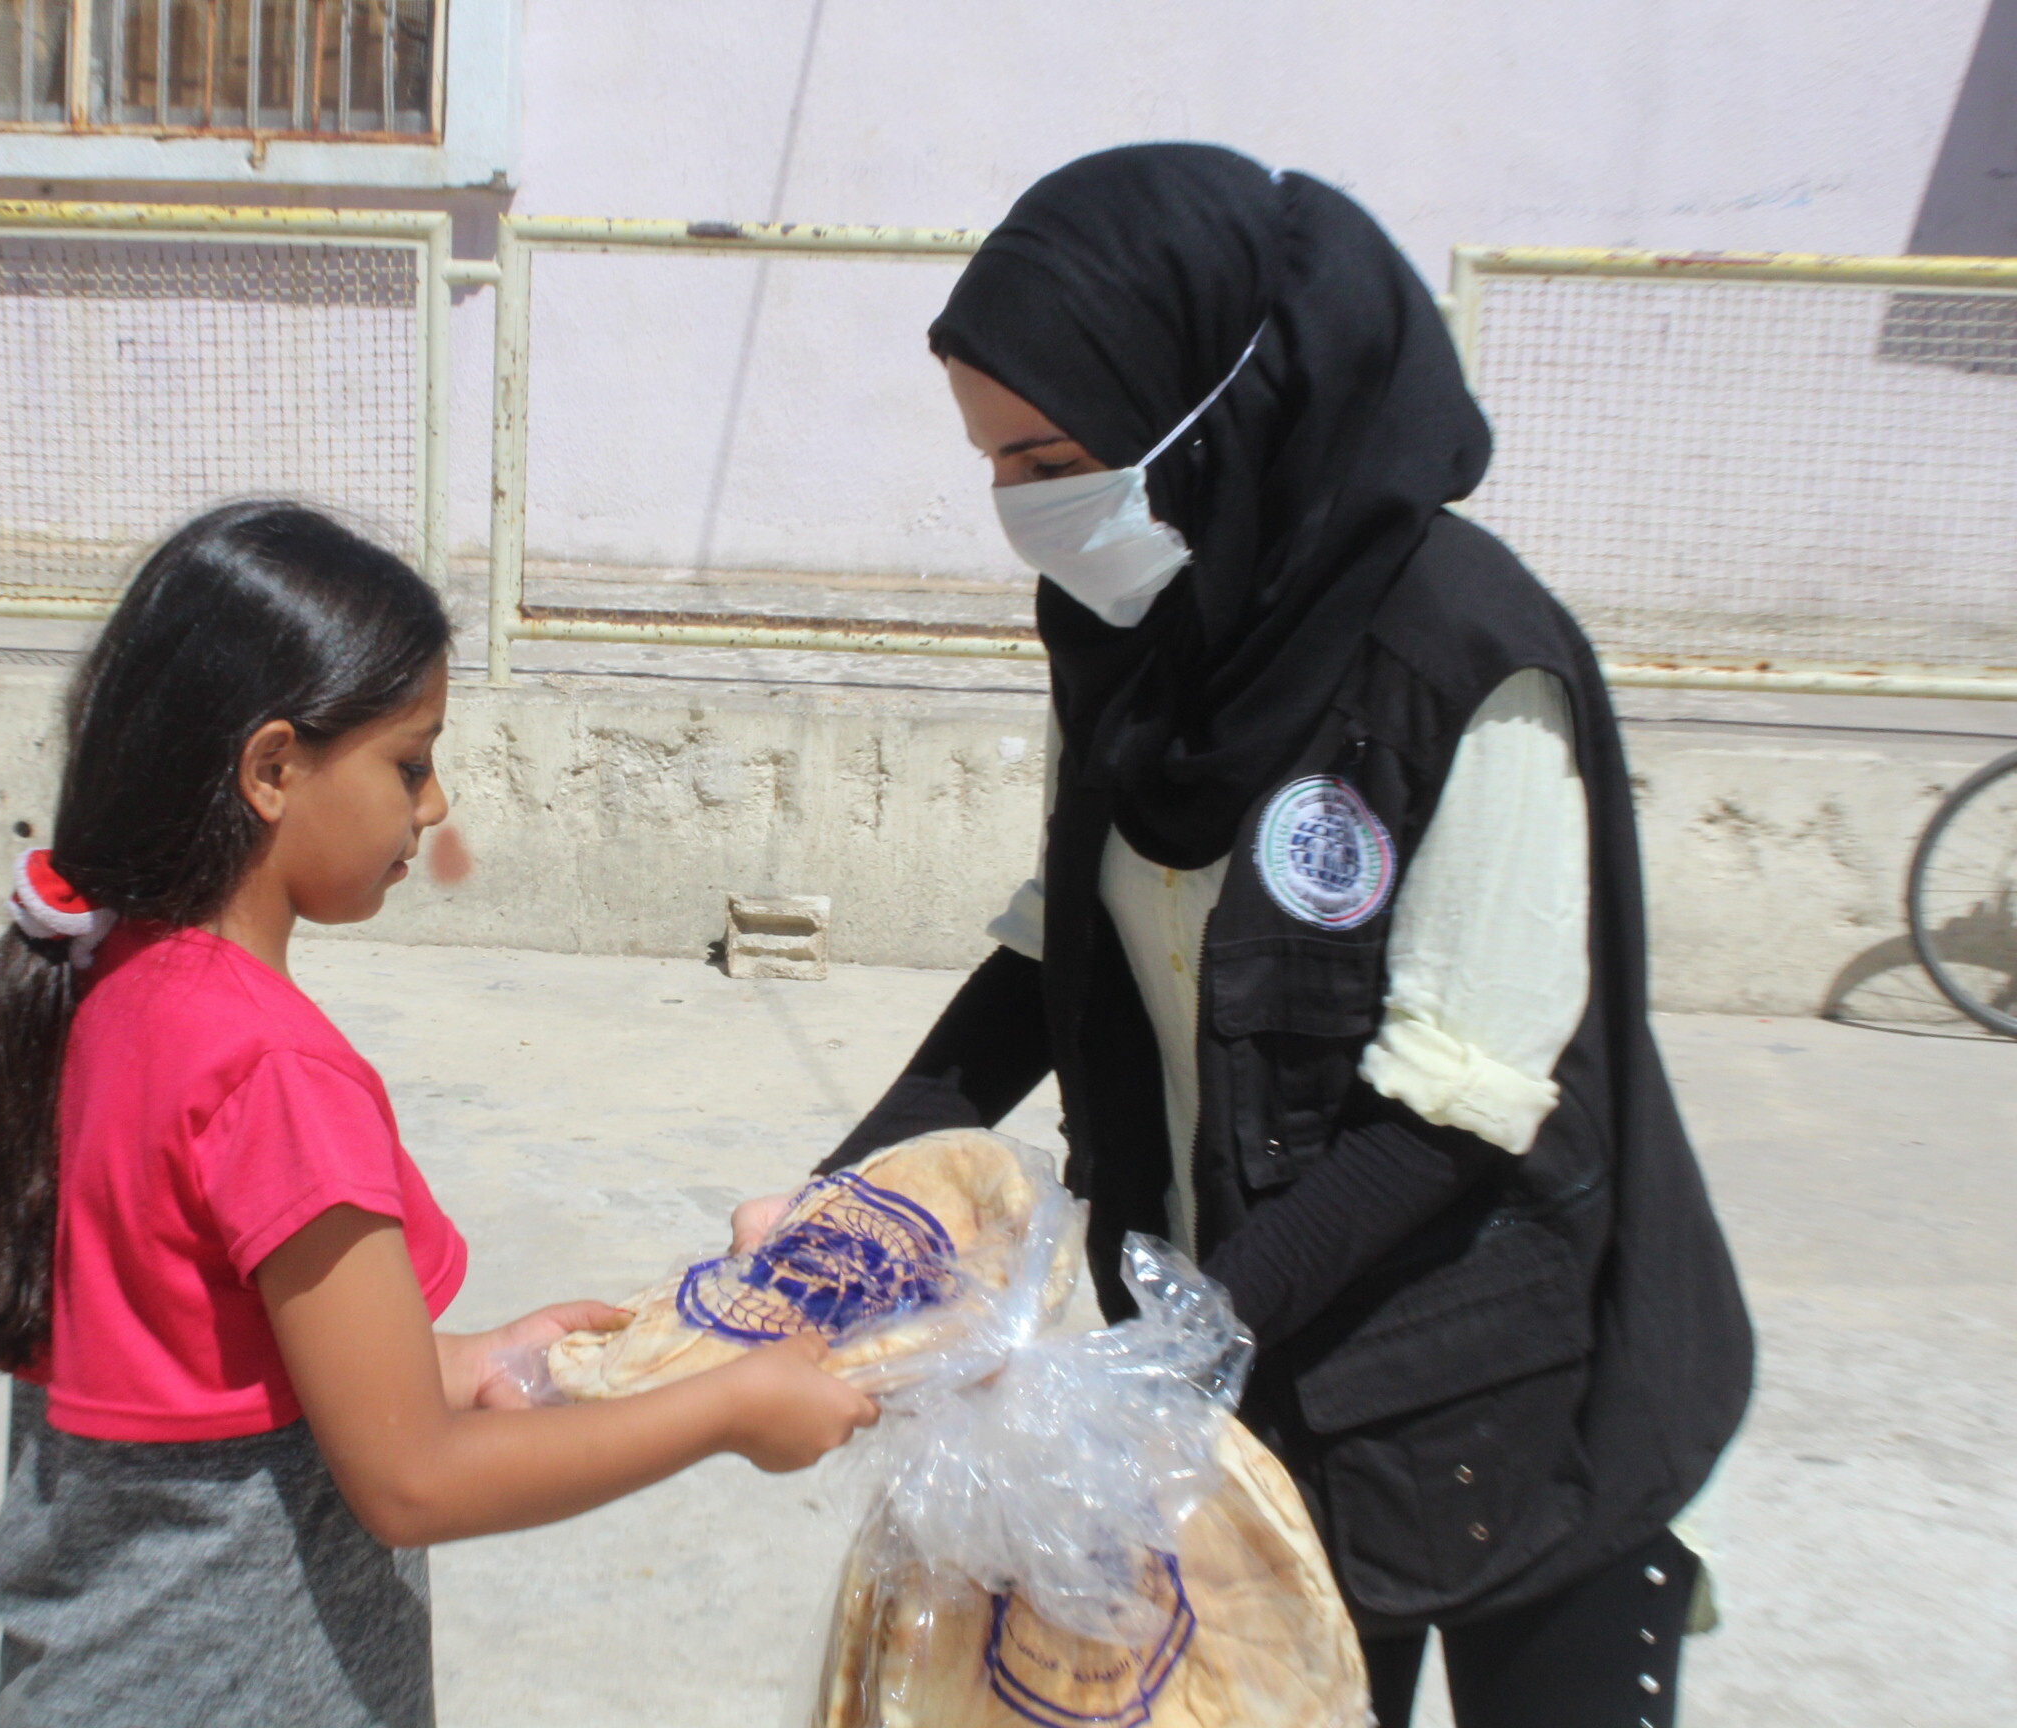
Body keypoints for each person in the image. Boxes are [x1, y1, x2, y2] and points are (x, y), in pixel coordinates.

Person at [732, 146, 1751, 1728]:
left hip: (1491, 1390)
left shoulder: (1467, 661)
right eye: (994, 463)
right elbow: (1053, 956)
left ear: (1215, 413)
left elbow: (1453, 1106)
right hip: (1235, 1371)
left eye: (1051, 457)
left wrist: (1174, 1343)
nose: (1021, 510)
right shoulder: (1130, 629)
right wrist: (837, 1209)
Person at [0, 501, 878, 1728]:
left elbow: (207, 1350)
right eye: (410, 764)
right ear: (272, 770)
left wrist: (470, 1362)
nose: (433, 808)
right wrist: (729, 1411)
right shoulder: (271, 1072)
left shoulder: (117, 982)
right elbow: (414, 1483)